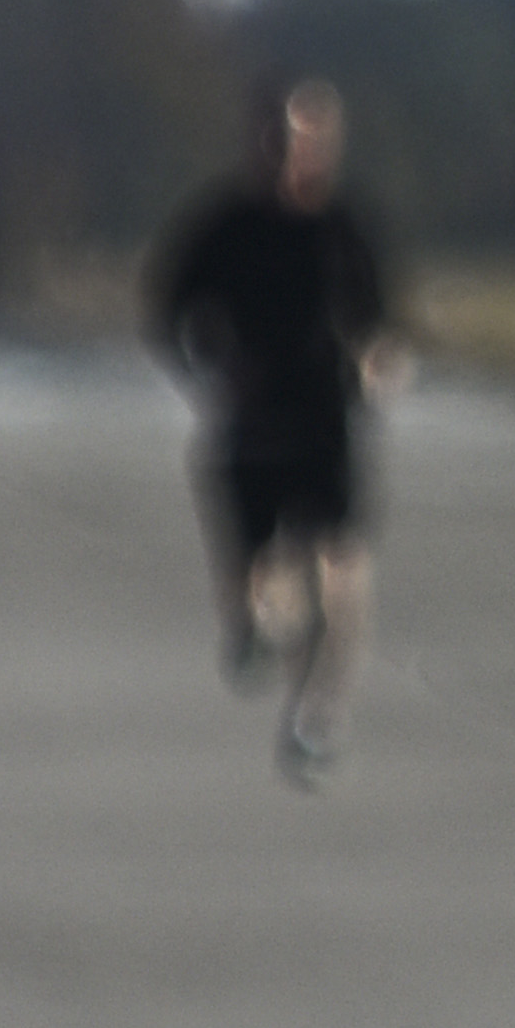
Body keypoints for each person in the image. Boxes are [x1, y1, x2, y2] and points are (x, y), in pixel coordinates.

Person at [143, 76, 410, 783]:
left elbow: (385, 322)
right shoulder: (225, 224)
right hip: (253, 414)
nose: (287, 153)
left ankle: (319, 710)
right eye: (273, 138)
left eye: (302, 139)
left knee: (339, 567)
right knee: (256, 571)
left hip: (327, 415)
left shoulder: (346, 225)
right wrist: (208, 367)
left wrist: (380, 364)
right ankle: (256, 624)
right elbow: (169, 309)